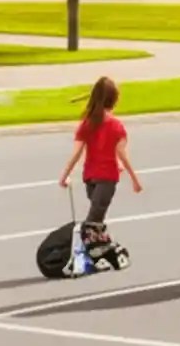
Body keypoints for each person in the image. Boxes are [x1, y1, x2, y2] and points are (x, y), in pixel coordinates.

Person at [59, 77, 143, 246]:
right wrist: (135, 180)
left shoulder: (87, 124)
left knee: (96, 221)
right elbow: (121, 153)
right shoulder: (116, 126)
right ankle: (82, 250)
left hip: (90, 179)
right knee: (92, 225)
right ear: (113, 101)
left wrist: (64, 176)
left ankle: (96, 246)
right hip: (106, 180)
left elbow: (76, 154)